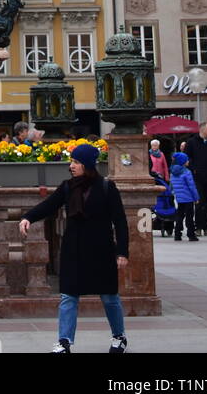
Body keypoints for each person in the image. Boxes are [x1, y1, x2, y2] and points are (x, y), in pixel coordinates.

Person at [19, 143, 129, 354]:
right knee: (68, 297)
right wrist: (28, 217)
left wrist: (122, 252)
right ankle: (65, 341)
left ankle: (119, 336)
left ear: (87, 164)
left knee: (109, 297)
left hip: (101, 250)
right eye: (72, 161)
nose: (72, 166)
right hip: (73, 250)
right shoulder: (68, 187)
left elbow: (120, 222)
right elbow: (49, 205)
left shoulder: (107, 188)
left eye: (76, 162)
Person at [169, 152, 199, 242]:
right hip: (188, 198)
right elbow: (191, 186)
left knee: (179, 216)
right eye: (186, 160)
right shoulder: (187, 172)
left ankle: (177, 234)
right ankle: (191, 235)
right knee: (189, 217)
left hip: (179, 198)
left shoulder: (173, 172)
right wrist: (196, 198)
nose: (188, 161)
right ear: (182, 161)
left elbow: (171, 186)